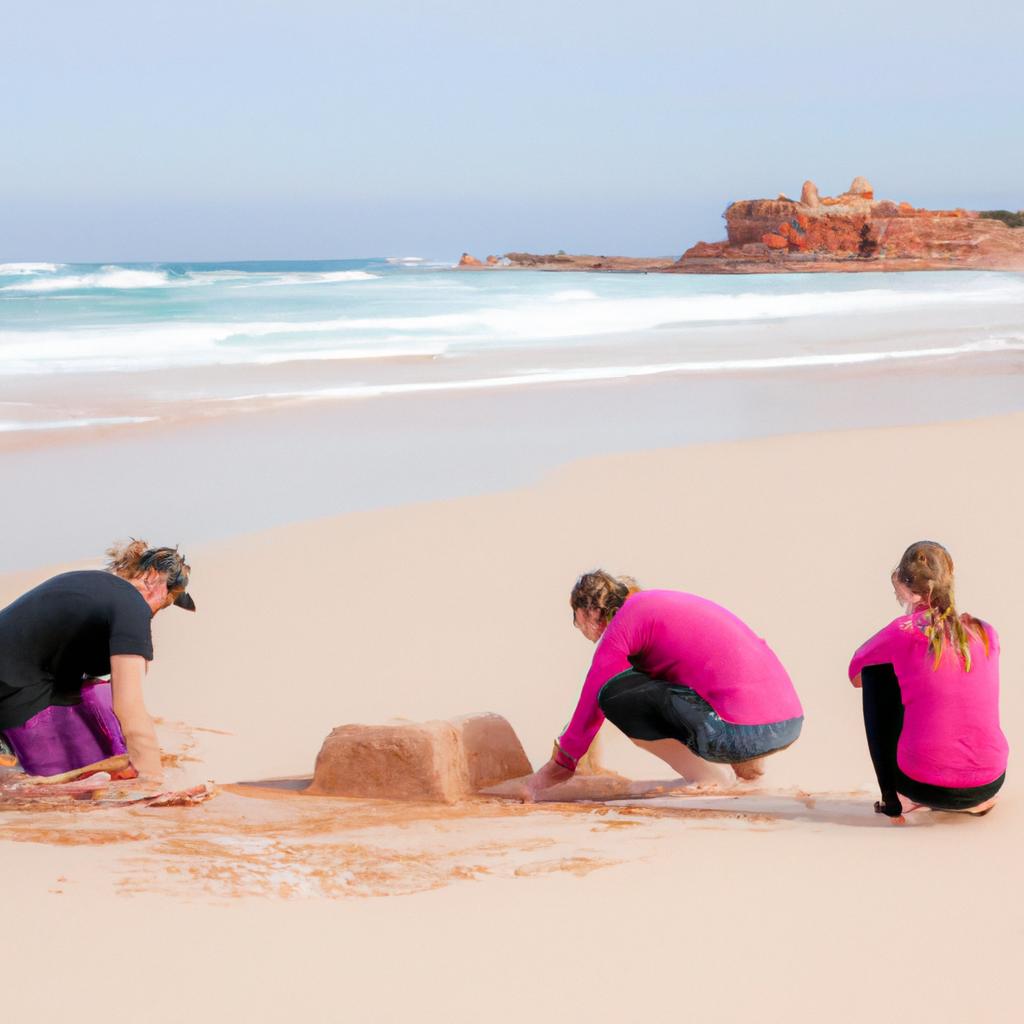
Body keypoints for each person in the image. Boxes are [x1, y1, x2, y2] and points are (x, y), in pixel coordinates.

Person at [520, 571, 804, 800]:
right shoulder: (657, 606)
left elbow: (591, 705)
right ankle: (750, 775)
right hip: (787, 722)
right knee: (699, 687)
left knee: (616, 697)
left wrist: (539, 782)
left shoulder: (622, 626)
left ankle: (706, 778)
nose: (579, 629)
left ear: (590, 612)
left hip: (743, 733)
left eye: (577, 619)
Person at [0, 540, 195, 782]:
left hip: (15, 677)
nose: (153, 613)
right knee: (104, 737)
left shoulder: (91, 586)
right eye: (164, 602)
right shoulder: (132, 604)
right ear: (152, 578)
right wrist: (151, 779)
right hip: (12, 686)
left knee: (94, 693)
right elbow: (128, 706)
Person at [849, 541, 1007, 819]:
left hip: (923, 784)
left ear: (906, 588)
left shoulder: (903, 631)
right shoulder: (985, 632)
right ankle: (975, 799)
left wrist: (905, 657)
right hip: (990, 781)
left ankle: (894, 799)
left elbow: (856, 674)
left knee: (877, 671)